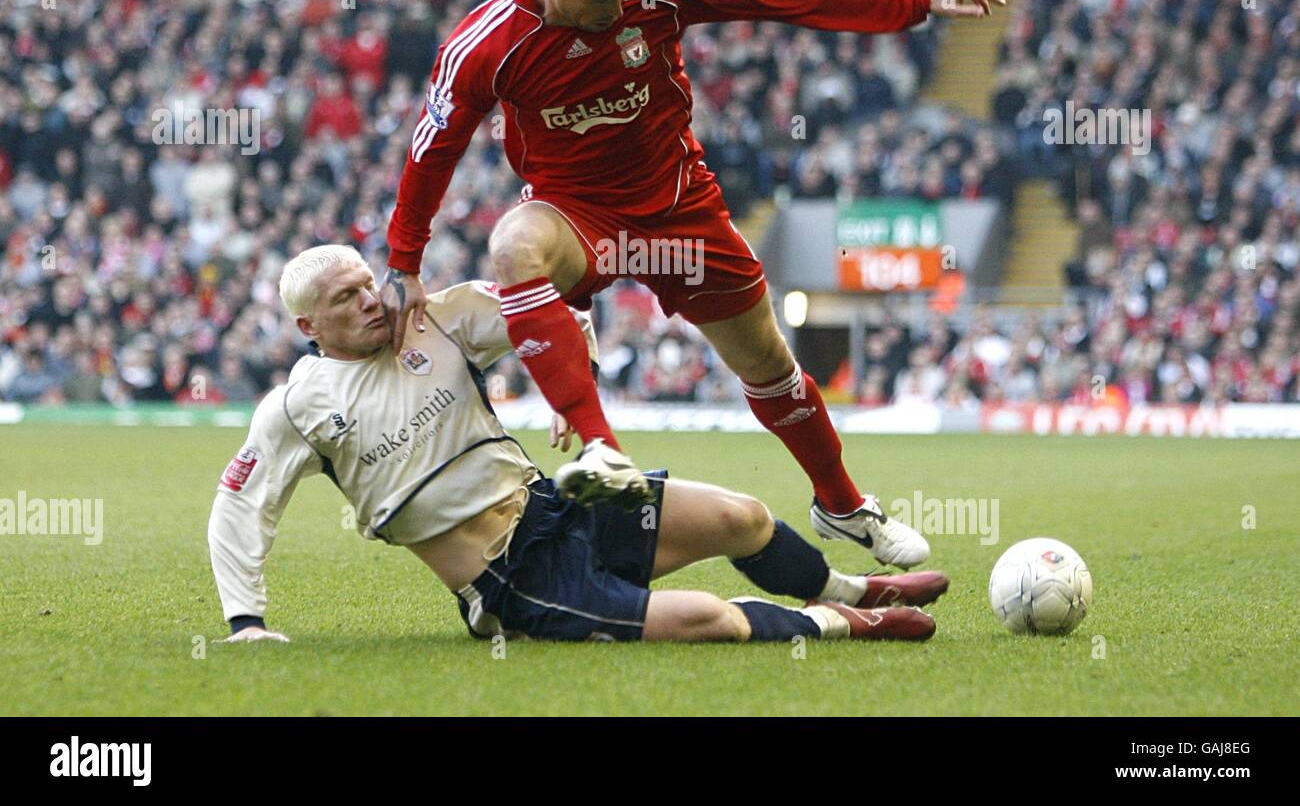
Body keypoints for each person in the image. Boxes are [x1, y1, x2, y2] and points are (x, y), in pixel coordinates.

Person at [383, 0, 1008, 567]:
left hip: (681, 208)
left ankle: (843, 504)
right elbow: (431, 147)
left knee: (768, 363)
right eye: (601, 1)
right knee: (513, 244)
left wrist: (914, 0)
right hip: (577, 213)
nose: (618, 9)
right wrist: (403, 261)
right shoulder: (486, 45)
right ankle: (603, 447)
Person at [209, 245, 948, 645]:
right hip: (509, 577)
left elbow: (549, 312)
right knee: (704, 619)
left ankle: (850, 586)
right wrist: (246, 624)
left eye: (369, 284)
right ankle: (850, 623)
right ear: (309, 326)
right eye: (347, 298)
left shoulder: (435, 320)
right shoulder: (297, 405)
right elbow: (240, 506)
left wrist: (575, 389)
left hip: (557, 507)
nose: (372, 300)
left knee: (744, 516)